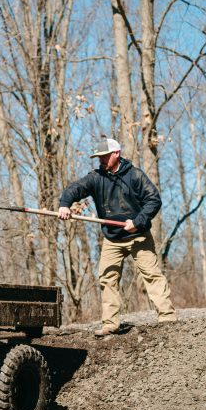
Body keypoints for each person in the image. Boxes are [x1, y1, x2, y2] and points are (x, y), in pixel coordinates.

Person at [58, 137, 176, 337]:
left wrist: (138, 221)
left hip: (138, 236)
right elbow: (75, 188)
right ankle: (111, 323)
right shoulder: (96, 177)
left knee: (152, 274)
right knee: (107, 277)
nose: (101, 160)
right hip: (112, 238)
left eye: (104, 156)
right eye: (99, 157)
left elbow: (153, 200)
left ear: (116, 154)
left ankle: (167, 318)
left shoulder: (135, 176)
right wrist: (65, 203)